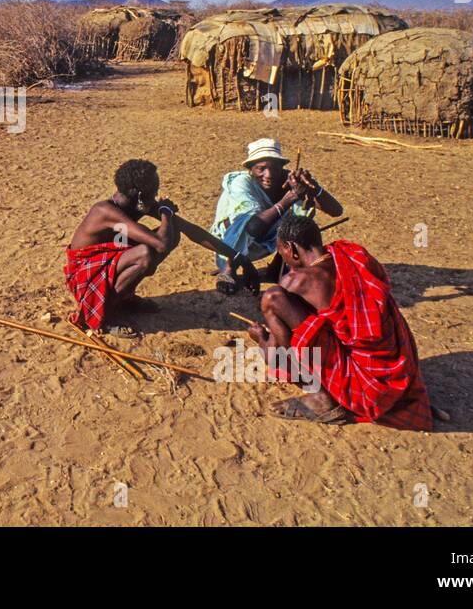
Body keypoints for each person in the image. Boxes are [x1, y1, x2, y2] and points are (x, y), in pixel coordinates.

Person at [247, 212, 433, 429]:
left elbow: (275, 355)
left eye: (282, 253)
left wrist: (261, 338)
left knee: (272, 299)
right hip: (397, 373)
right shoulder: (352, 255)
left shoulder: (297, 282)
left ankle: (321, 398)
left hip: (366, 388)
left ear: (291, 249)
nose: (285, 262)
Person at [210, 138, 342, 292]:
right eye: (261, 168)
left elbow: (336, 211)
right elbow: (253, 228)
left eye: (274, 168)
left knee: (300, 222)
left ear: (282, 167)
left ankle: (277, 268)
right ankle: (229, 269)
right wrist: (290, 197)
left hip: (266, 239)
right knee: (244, 220)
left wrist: (313, 188)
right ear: (250, 169)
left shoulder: (289, 181)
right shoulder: (241, 183)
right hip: (230, 241)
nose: (269, 175)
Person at [64, 159, 181, 332]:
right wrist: (165, 212)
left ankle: (125, 299)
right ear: (140, 194)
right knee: (145, 253)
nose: (156, 196)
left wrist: (233, 255)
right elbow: (161, 244)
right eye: (154, 192)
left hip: (105, 264)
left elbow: (183, 232)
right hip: (85, 279)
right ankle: (106, 315)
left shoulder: (134, 203)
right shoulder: (105, 211)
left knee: (172, 233)